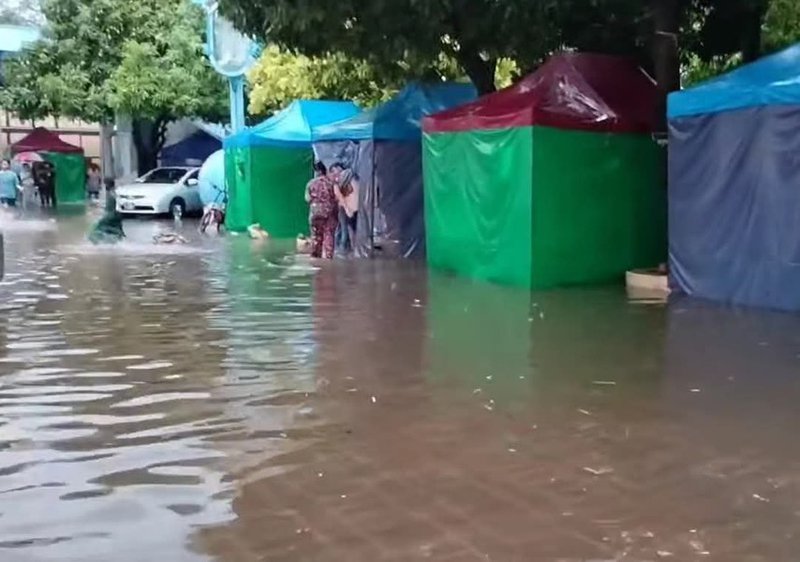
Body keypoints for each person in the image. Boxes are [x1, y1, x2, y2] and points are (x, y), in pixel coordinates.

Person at [304, 161, 337, 259]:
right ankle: (328, 259)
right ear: (325, 170)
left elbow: (307, 199)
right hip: (329, 213)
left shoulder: (310, 183)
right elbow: (336, 197)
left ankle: (315, 259)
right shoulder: (331, 183)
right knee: (329, 235)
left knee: (315, 236)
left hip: (315, 213)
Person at [88, 178, 125, 244]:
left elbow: (110, 207)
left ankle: (97, 242)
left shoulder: (111, 194)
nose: (105, 187)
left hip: (112, 215)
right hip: (116, 214)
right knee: (115, 229)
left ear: (107, 185)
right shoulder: (113, 192)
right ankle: (117, 239)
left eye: (105, 185)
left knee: (97, 227)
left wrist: (104, 217)